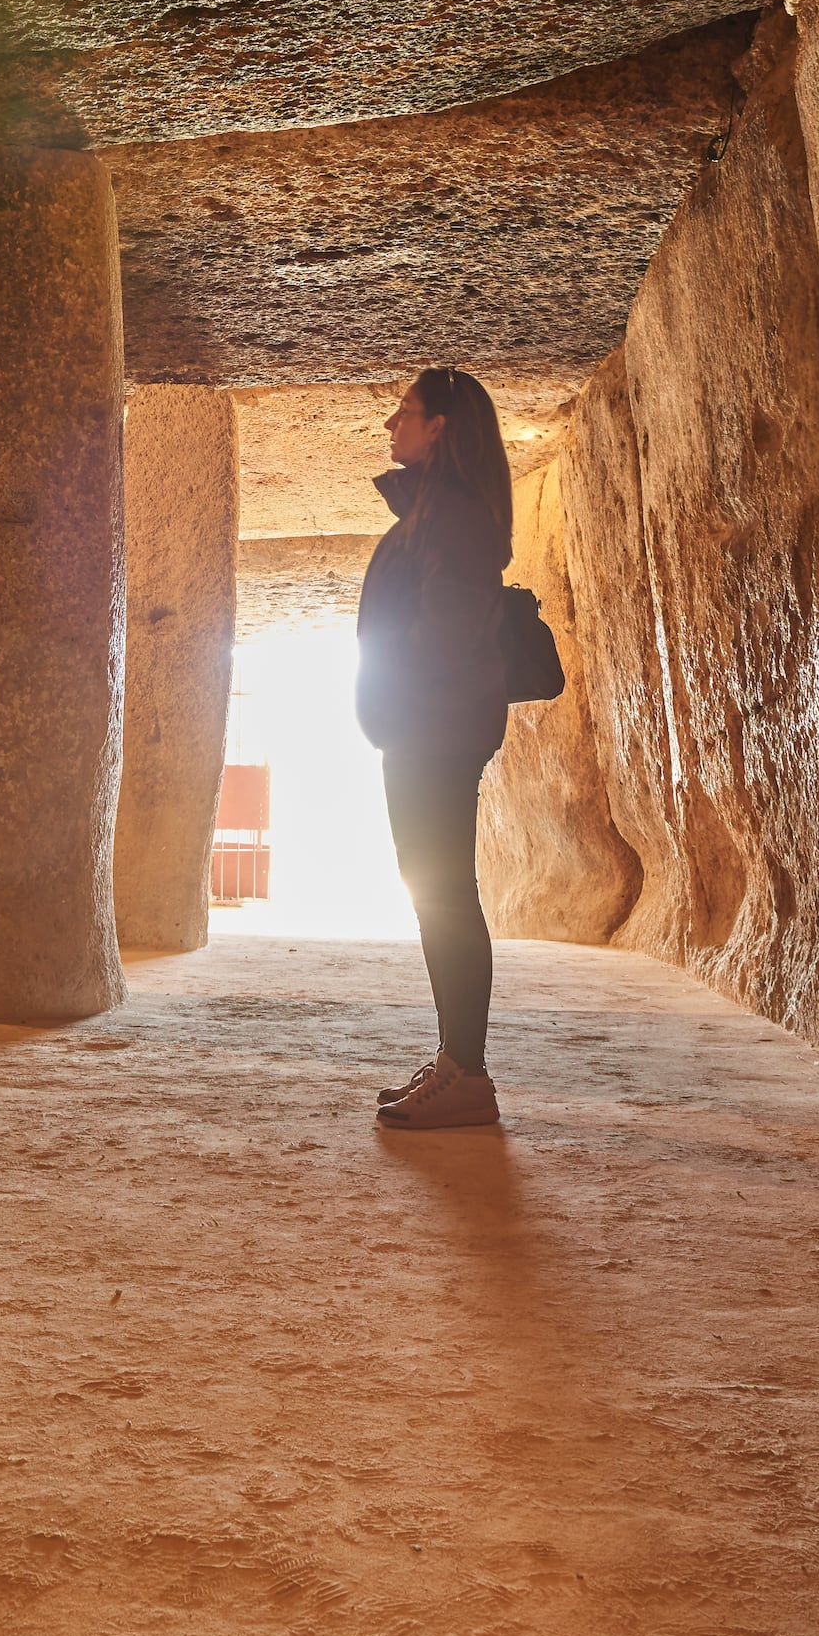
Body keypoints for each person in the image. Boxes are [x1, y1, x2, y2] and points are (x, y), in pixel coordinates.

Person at [355, 368, 512, 1130]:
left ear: (441, 426)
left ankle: (469, 1071)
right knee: (437, 895)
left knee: (445, 896)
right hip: (426, 726)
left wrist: (398, 686)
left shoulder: (449, 513)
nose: (393, 423)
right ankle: (456, 1058)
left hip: (434, 730)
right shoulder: (437, 509)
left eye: (407, 412)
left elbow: (444, 626)